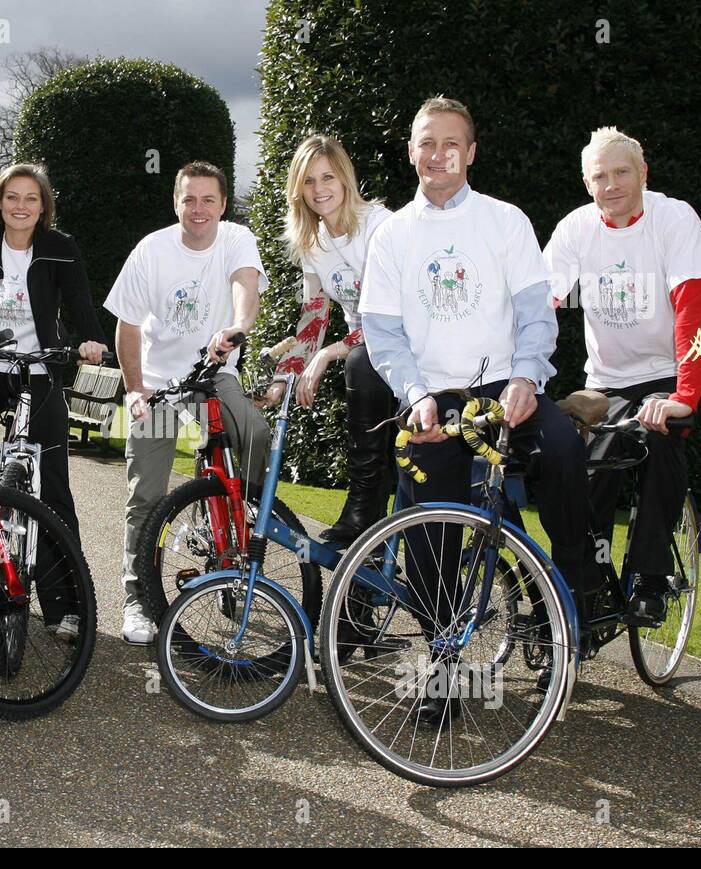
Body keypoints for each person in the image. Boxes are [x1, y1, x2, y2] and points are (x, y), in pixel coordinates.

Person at [359, 96, 597, 715]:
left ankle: (570, 603)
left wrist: (525, 378)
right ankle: (444, 666)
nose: (437, 155)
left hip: (506, 390)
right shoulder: (392, 236)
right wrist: (413, 396)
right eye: (425, 143)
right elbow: (383, 334)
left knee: (566, 451)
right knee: (427, 526)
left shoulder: (506, 221)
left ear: (470, 152)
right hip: (432, 399)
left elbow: (535, 316)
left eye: (450, 144)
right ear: (412, 151)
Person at [544, 126, 701, 623]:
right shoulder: (577, 228)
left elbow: (692, 307)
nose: (612, 183)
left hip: (672, 369)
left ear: (643, 173)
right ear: (586, 182)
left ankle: (652, 576)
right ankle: (584, 585)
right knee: (580, 462)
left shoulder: (674, 218)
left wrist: (685, 393)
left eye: (623, 172)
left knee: (659, 437)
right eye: (601, 175)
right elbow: (540, 305)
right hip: (606, 379)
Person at [0, 162, 109, 639]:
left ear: (43, 205)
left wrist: (92, 341)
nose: (21, 205)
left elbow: (80, 303)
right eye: (12, 196)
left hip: (38, 370)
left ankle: (63, 608)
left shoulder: (59, 249)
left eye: (31, 198)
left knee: (53, 485)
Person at [106, 161, 272, 645]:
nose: (198, 209)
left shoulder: (237, 239)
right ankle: (137, 599)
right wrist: (135, 389)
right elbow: (129, 326)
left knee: (255, 433)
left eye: (208, 200)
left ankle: (230, 520)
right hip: (159, 383)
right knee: (147, 493)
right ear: (175, 203)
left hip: (214, 375)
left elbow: (246, 287)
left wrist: (238, 327)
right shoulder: (151, 250)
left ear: (222, 204)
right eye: (188, 199)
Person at [260, 134, 396, 543]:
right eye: (309, 181)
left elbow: (386, 313)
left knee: (358, 364)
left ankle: (363, 509)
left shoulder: (379, 225)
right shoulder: (312, 241)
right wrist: (286, 374)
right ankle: (366, 543)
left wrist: (329, 356)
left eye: (328, 178)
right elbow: (314, 316)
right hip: (367, 348)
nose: (319, 190)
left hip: (404, 340)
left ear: (345, 178)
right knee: (361, 369)